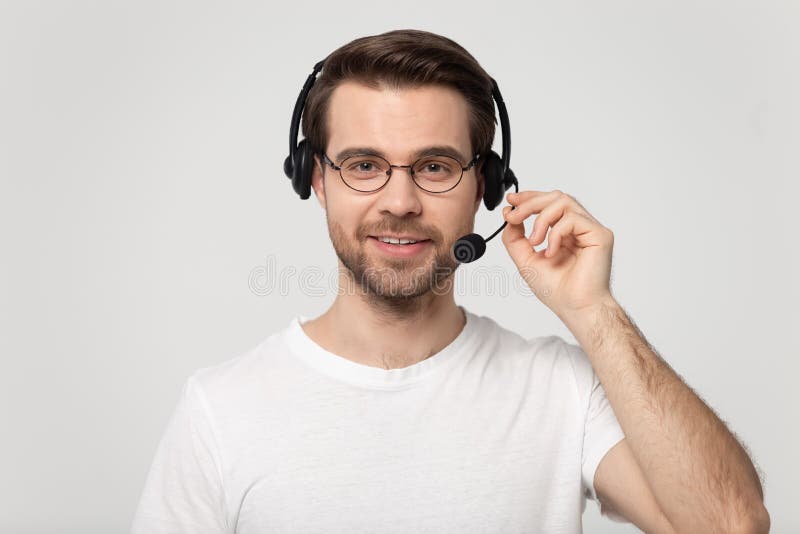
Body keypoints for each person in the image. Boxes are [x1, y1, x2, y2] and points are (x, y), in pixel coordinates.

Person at [131, 29, 769, 533]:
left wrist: (593, 311)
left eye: (435, 166)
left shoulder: (563, 388)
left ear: (485, 186)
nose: (400, 201)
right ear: (315, 180)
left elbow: (731, 526)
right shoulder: (218, 409)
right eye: (364, 165)